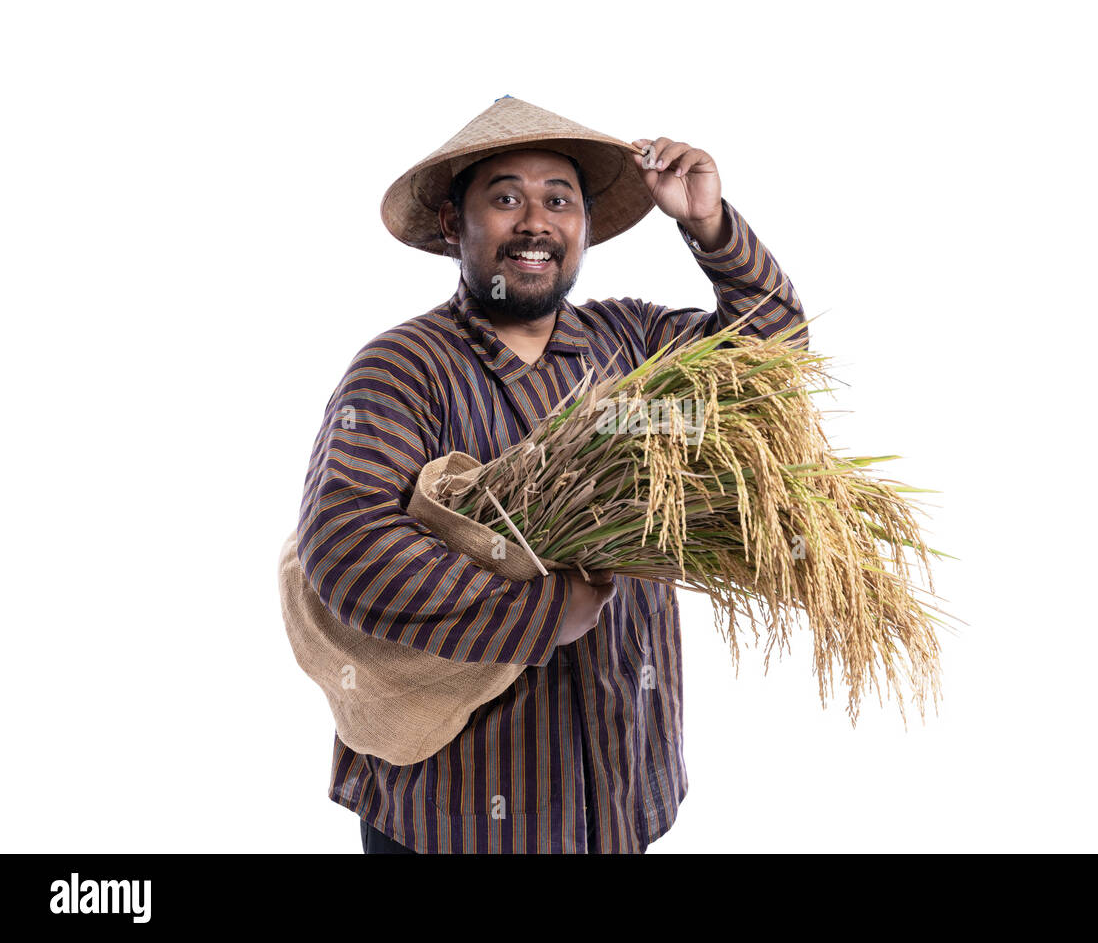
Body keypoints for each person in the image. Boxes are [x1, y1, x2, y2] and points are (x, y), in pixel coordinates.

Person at [296, 95, 806, 853]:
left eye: (558, 200)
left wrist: (709, 225)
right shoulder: (404, 368)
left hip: (622, 793)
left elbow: (770, 364)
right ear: (452, 224)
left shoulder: (631, 344)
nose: (535, 221)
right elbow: (347, 545)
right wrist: (541, 610)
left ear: (584, 228)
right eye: (505, 198)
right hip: (453, 816)